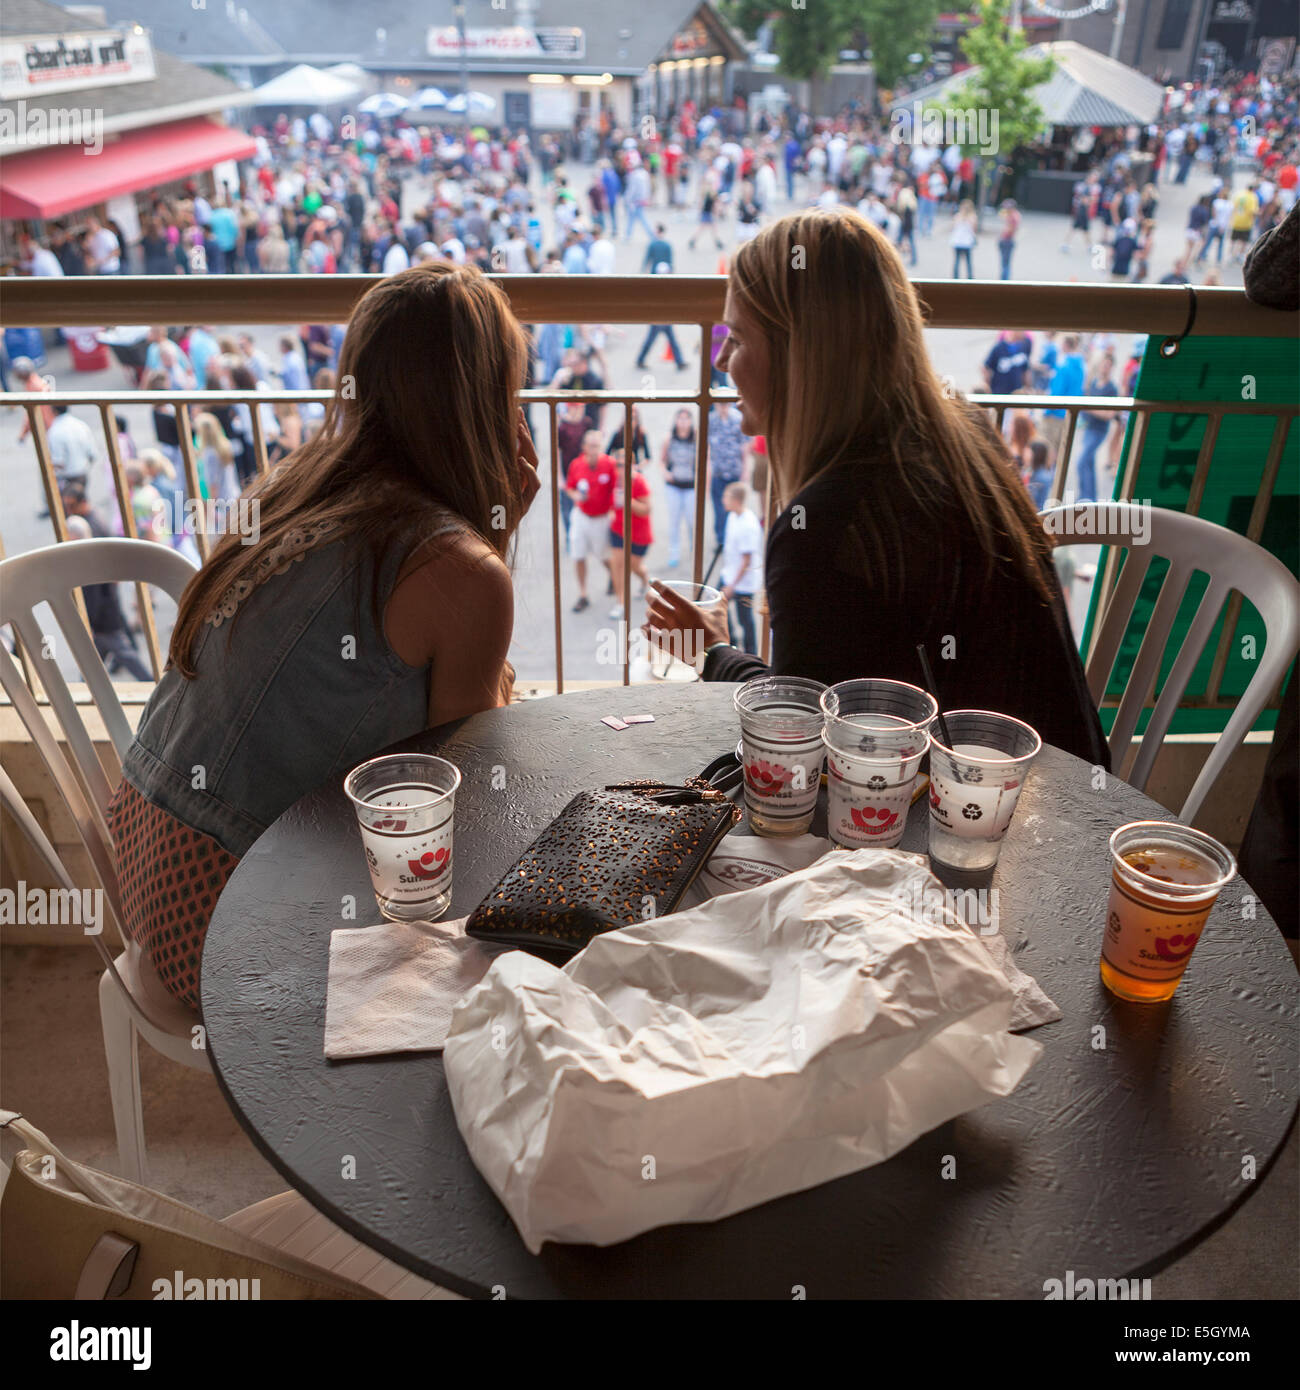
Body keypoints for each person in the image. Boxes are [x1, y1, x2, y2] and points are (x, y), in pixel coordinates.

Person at [107, 263, 540, 1013]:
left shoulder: (291, 488)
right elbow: (460, 794)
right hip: (229, 916)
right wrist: (497, 541)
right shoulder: (458, 570)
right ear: (484, 402)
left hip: (141, 858)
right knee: (520, 914)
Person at [642, 208, 1107, 767]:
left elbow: (801, 751)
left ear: (798, 357)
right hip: (1064, 793)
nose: (720, 359)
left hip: (974, 831)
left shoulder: (824, 527)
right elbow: (851, 707)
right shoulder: (965, 432)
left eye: (736, 338)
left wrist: (713, 652)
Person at [564, 430, 615, 613]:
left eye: (598, 446)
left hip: (601, 518)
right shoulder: (576, 465)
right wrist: (576, 495)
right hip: (581, 515)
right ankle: (583, 594)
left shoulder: (609, 465)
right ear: (584, 447)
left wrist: (613, 512)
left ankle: (613, 574)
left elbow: (615, 490)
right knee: (578, 555)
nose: (594, 449)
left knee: (603, 555)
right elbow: (569, 487)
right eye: (591, 445)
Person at [606, 451, 653, 619]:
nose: (620, 469)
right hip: (619, 530)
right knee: (617, 565)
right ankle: (620, 602)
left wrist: (629, 501)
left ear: (632, 465)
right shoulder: (614, 481)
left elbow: (646, 509)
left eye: (623, 465)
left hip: (638, 533)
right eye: (617, 465)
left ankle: (644, 578)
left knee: (633, 566)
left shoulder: (639, 482)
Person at [718, 481, 763, 655]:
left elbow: (746, 560)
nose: (723, 500)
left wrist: (732, 586)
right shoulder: (732, 517)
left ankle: (751, 652)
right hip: (729, 574)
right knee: (718, 606)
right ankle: (732, 641)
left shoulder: (748, 525)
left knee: (745, 618)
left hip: (743, 581)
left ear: (735, 500)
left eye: (726, 496)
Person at [1073, 353, 1119, 503]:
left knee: (1082, 461)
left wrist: (1089, 408)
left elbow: (1109, 415)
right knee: (1088, 462)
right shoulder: (1093, 382)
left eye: (1108, 365)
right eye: (1103, 364)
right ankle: (1089, 497)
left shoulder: (1112, 389)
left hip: (1098, 430)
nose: (1104, 367)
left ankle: (1085, 497)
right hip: (1088, 427)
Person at [707, 398, 747, 549]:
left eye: (725, 403)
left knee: (737, 507)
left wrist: (745, 471)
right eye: (720, 403)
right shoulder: (711, 421)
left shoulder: (737, 419)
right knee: (719, 508)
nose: (723, 407)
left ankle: (735, 540)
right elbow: (707, 449)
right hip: (718, 472)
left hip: (734, 470)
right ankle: (722, 540)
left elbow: (744, 446)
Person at [660, 408, 697, 569]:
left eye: (686, 419)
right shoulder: (669, 438)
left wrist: (704, 483)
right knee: (674, 521)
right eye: (680, 419)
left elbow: (706, 461)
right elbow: (662, 460)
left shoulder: (696, 438)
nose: (683, 422)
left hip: (690, 485)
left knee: (691, 520)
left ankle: (693, 550)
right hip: (674, 486)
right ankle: (673, 553)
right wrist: (665, 473)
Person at [950, 200, 977, 278]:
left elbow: (953, 227)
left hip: (958, 241)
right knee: (968, 261)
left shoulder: (958, 216)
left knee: (957, 260)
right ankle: (970, 277)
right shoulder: (973, 217)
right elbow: (974, 229)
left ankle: (955, 277)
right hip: (967, 242)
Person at [997, 199, 1020, 280]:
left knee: (1005, 264)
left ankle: (1004, 282)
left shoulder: (1013, 217)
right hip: (1008, 241)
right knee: (1005, 263)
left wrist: (1002, 238)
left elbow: (1010, 230)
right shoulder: (1014, 215)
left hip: (1007, 241)